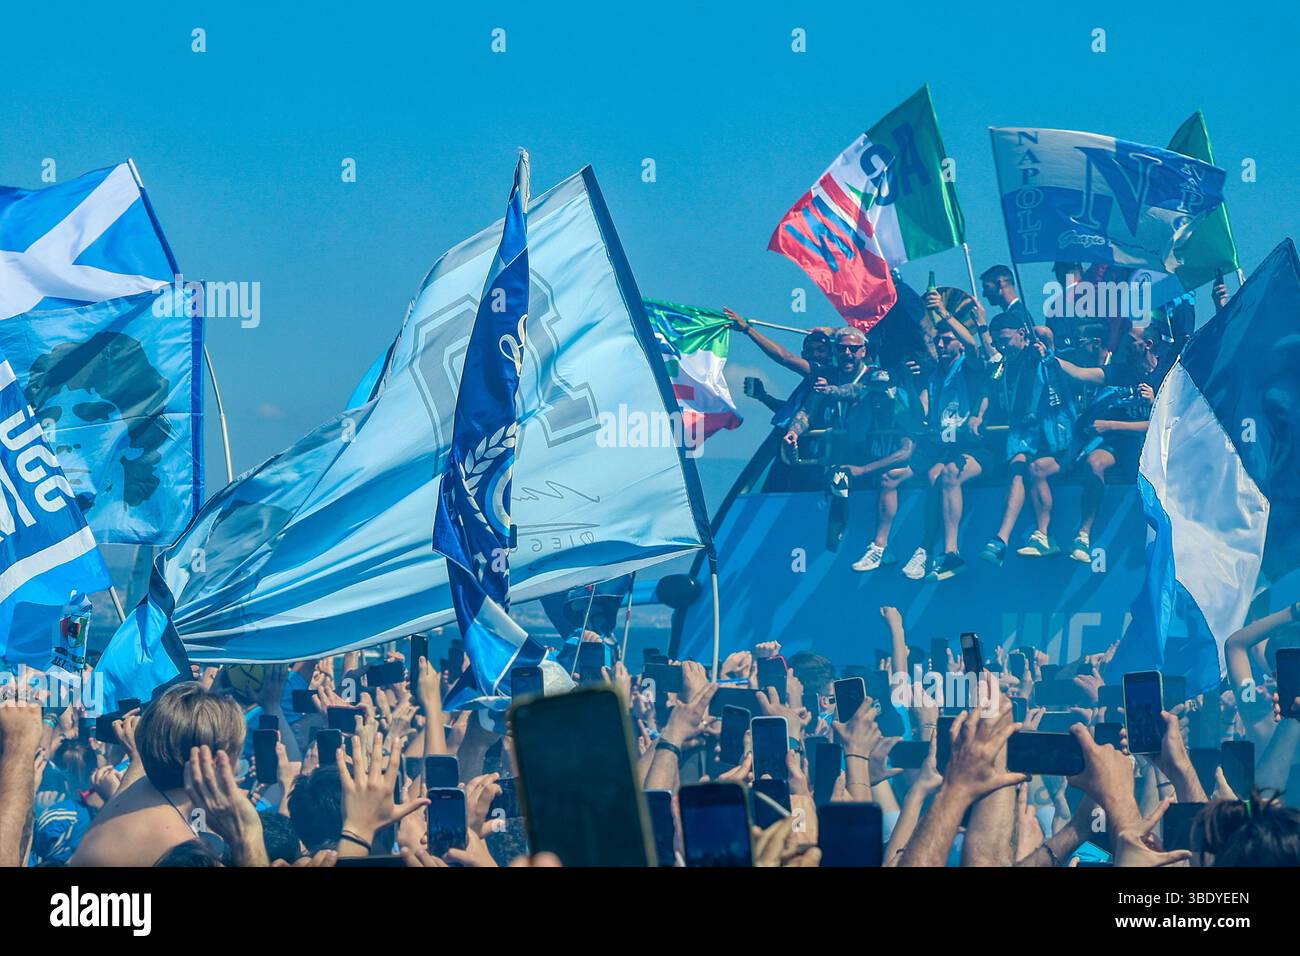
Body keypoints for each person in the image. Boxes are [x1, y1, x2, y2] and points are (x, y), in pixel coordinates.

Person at [71, 682, 246, 866]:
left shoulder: (135, 794)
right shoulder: (186, 854)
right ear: (217, 763)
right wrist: (250, 838)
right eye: (236, 754)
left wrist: (137, 755)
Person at [1052, 327, 1170, 560]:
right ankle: (1083, 535)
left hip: (1154, 449)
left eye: (1130, 340)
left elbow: (1162, 425)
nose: (1124, 345)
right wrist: (1049, 357)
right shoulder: (1120, 371)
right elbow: (1079, 373)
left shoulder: (1167, 374)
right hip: (1121, 446)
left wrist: (1152, 402)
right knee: (1094, 461)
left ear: (1147, 344)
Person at [895, 328, 990, 580]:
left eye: (947, 340)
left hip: (979, 446)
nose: (940, 345)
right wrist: (908, 382)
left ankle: (950, 552)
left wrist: (946, 314)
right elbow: (920, 414)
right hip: (948, 447)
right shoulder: (934, 376)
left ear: (958, 344)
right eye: (937, 340)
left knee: (948, 474)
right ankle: (926, 548)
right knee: (932, 476)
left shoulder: (969, 366)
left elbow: (973, 347)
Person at [980, 323, 1076, 563]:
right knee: (1017, 465)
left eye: (1005, 340)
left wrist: (1043, 346)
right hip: (1027, 439)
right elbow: (989, 387)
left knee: (1034, 467)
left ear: (1022, 334)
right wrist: (979, 416)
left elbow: (1046, 335)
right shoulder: (1003, 366)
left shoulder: (1041, 356)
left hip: (1058, 439)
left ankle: (1043, 534)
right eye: (997, 343)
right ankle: (1001, 539)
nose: (1002, 347)